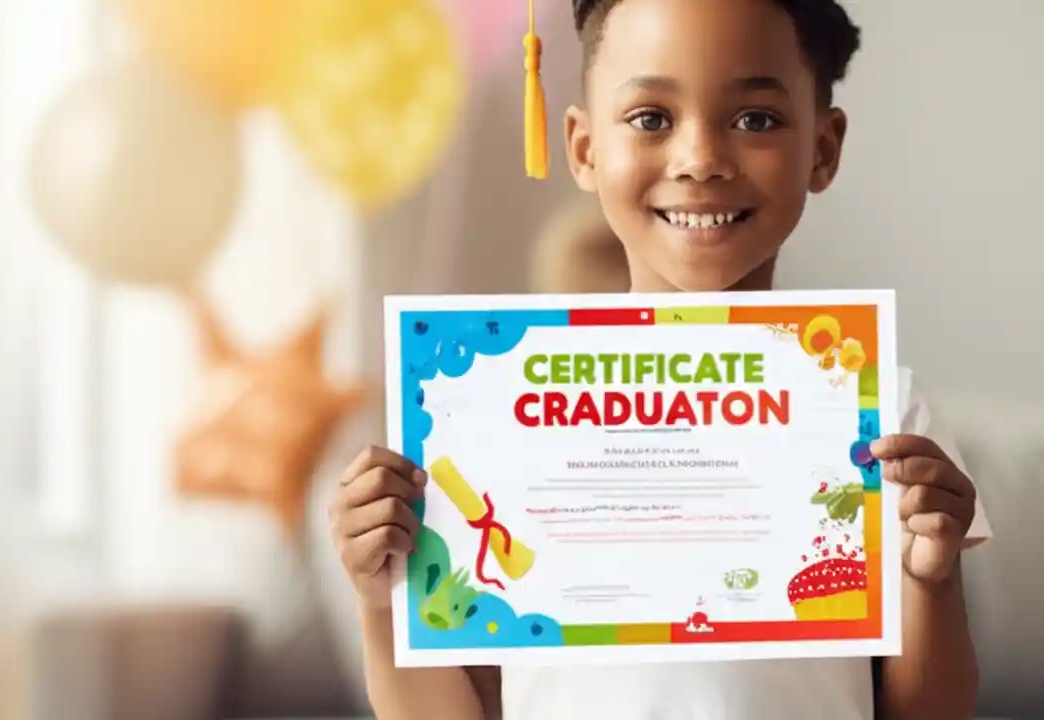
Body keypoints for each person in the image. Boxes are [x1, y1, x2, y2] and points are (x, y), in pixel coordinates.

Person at [327, 0, 993, 717]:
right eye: (651, 118)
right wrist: (380, 597)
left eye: (756, 120)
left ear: (823, 150)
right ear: (584, 149)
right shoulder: (486, 417)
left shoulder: (882, 414)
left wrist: (932, 577)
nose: (701, 159)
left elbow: (931, 711)